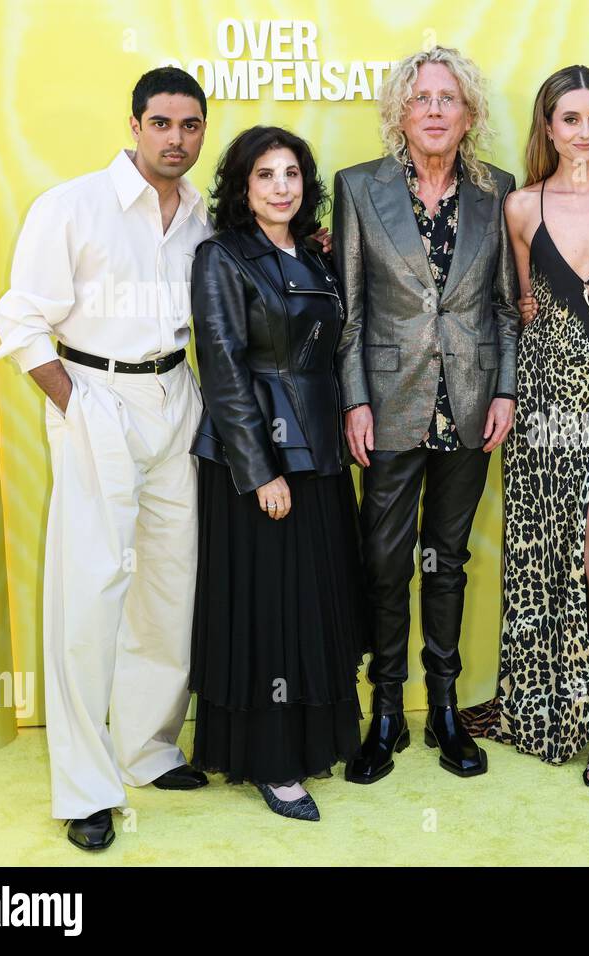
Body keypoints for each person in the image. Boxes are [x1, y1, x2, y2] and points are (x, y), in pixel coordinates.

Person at [0, 67, 215, 850]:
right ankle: (84, 786)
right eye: (162, 124)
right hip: (96, 399)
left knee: (168, 581)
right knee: (88, 593)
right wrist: (75, 403)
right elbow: (19, 323)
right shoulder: (72, 206)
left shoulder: (199, 216)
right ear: (134, 124)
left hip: (176, 397)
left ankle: (146, 749)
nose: (176, 140)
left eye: (190, 126)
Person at [462, 65, 589, 786]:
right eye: (570, 118)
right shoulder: (521, 205)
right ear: (547, 126)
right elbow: (524, 310)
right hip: (546, 396)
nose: (584, 131)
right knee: (550, 554)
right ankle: (554, 699)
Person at [333, 46, 519, 783]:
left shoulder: (496, 191)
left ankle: (443, 709)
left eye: (448, 99)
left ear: (468, 113)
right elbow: (348, 313)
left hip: (471, 405)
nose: (435, 110)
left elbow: (506, 306)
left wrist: (504, 389)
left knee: (447, 562)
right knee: (384, 563)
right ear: (399, 113)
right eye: (421, 99)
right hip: (386, 404)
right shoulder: (358, 189)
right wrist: (353, 399)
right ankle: (385, 712)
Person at [188, 126, 368, 822]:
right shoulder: (221, 258)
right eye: (265, 175)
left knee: (314, 606)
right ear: (242, 186)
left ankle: (314, 740)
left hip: (321, 455)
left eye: (292, 173)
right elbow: (225, 371)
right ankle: (273, 762)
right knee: (270, 613)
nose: (281, 187)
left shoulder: (315, 258)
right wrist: (260, 470)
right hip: (258, 461)